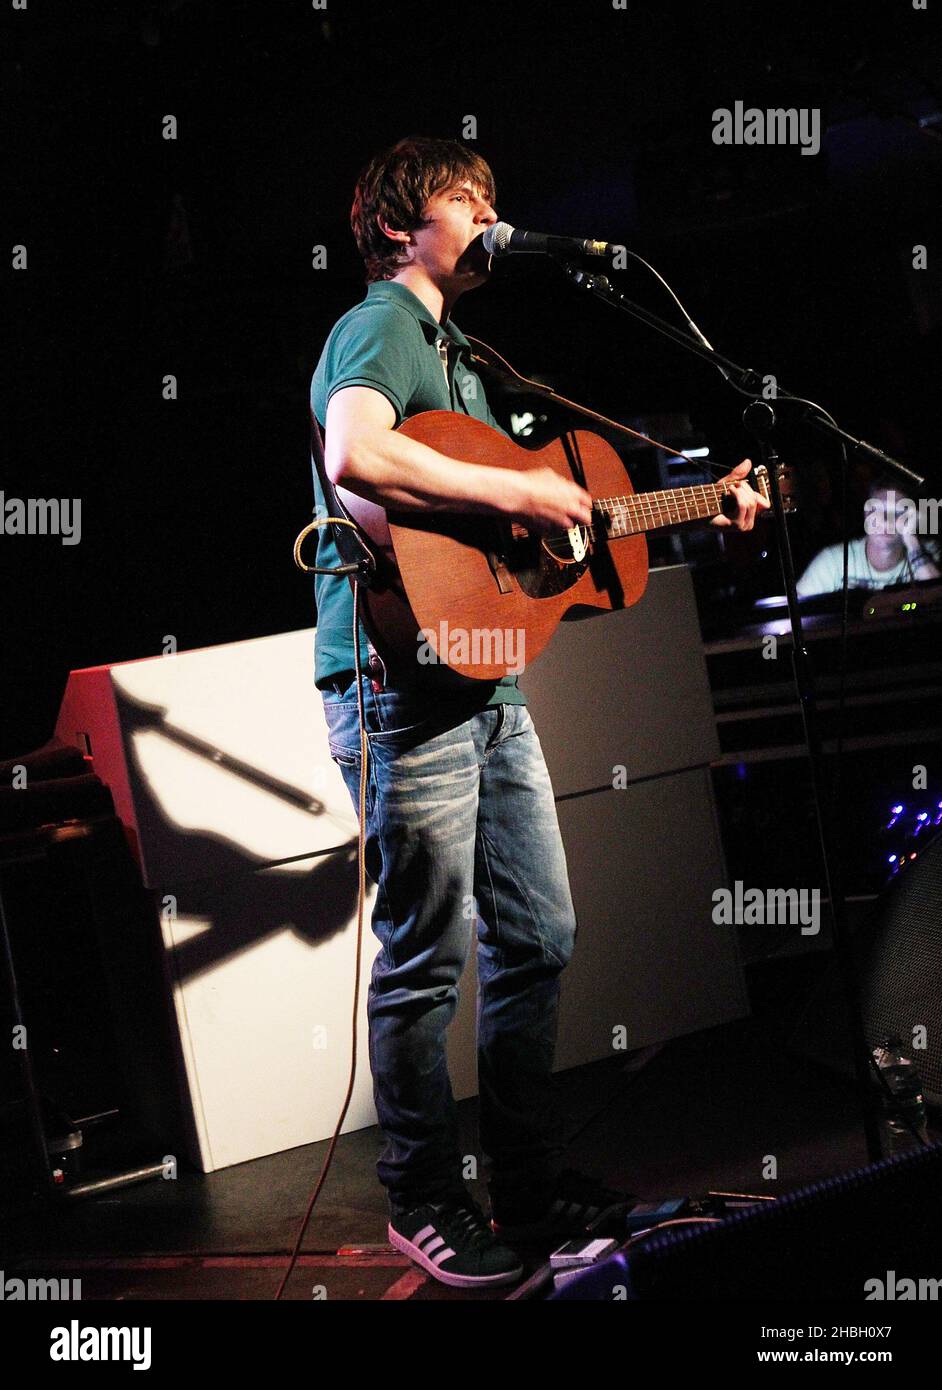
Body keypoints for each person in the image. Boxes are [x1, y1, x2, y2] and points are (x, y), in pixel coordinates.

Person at [309, 135, 768, 1289]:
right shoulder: (382, 324)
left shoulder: (464, 354)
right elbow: (357, 454)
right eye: (465, 199)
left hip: (483, 678)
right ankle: (423, 1196)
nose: (487, 213)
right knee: (426, 956)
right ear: (402, 225)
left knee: (542, 935)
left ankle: (524, 1181)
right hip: (401, 687)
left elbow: (514, 529)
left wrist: (698, 503)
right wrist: (524, 487)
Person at [796, 474, 940, 596]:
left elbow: (937, 601)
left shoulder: (930, 552)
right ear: (866, 513)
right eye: (876, 510)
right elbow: (793, 617)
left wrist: (912, 543)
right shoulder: (832, 561)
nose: (885, 520)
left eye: (897, 513)